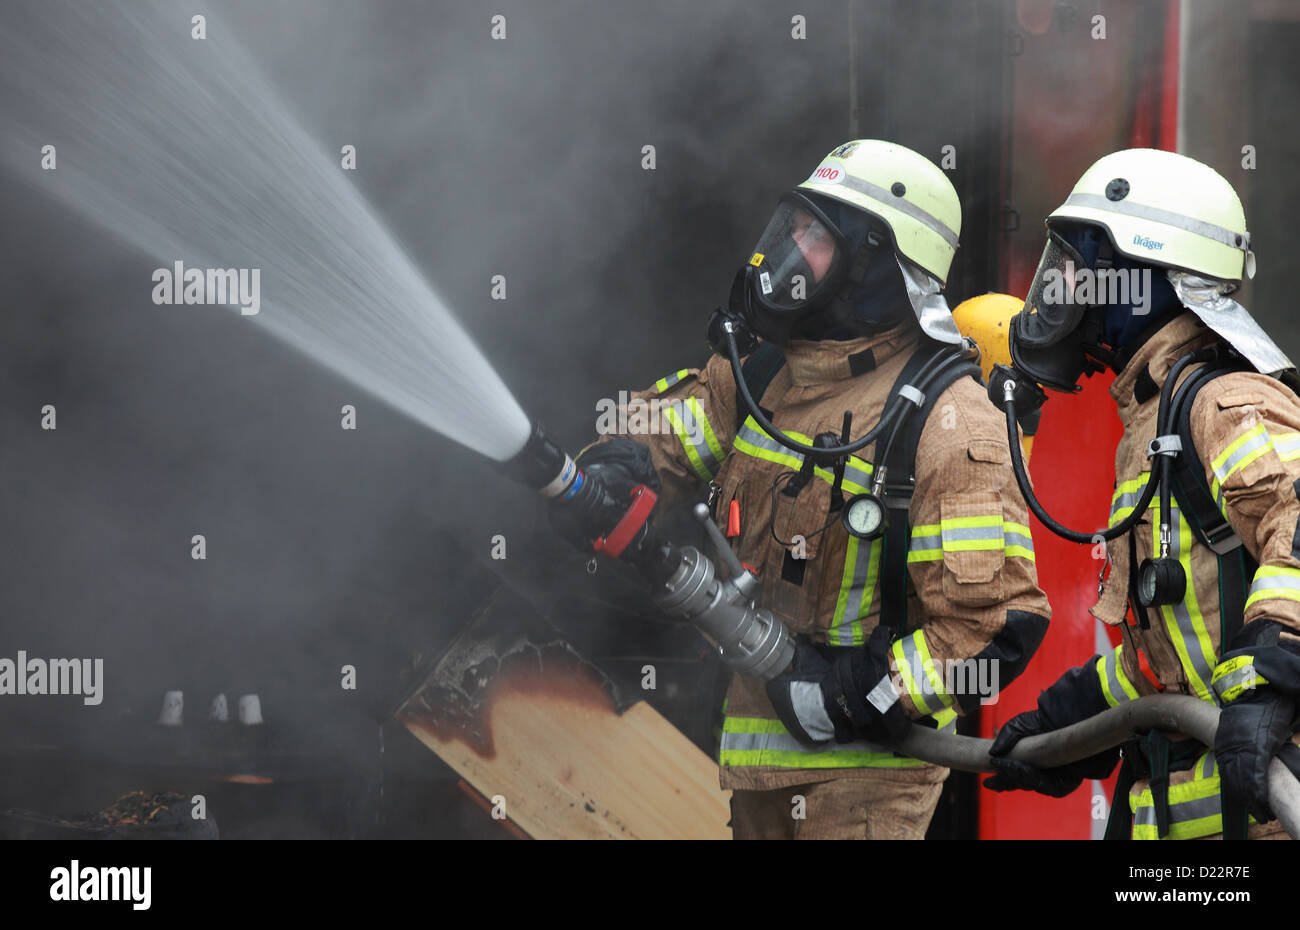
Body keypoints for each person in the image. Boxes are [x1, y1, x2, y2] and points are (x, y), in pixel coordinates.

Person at [570, 140, 1050, 839]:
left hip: (865, 789)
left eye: (816, 237)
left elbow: (997, 628)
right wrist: (616, 464)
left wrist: (859, 692)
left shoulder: (948, 421)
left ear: (878, 265)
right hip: (754, 766)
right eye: (791, 227)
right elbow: (672, 432)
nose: (789, 252)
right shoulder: (763, 375)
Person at [987, 147, 1300, 840]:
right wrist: (1073, 722)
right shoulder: (1153, 418)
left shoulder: (1220, 405)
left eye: (1079, 270)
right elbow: (1177, 660)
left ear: (1140, 277)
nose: (1061, 290)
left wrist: (1276, 674)